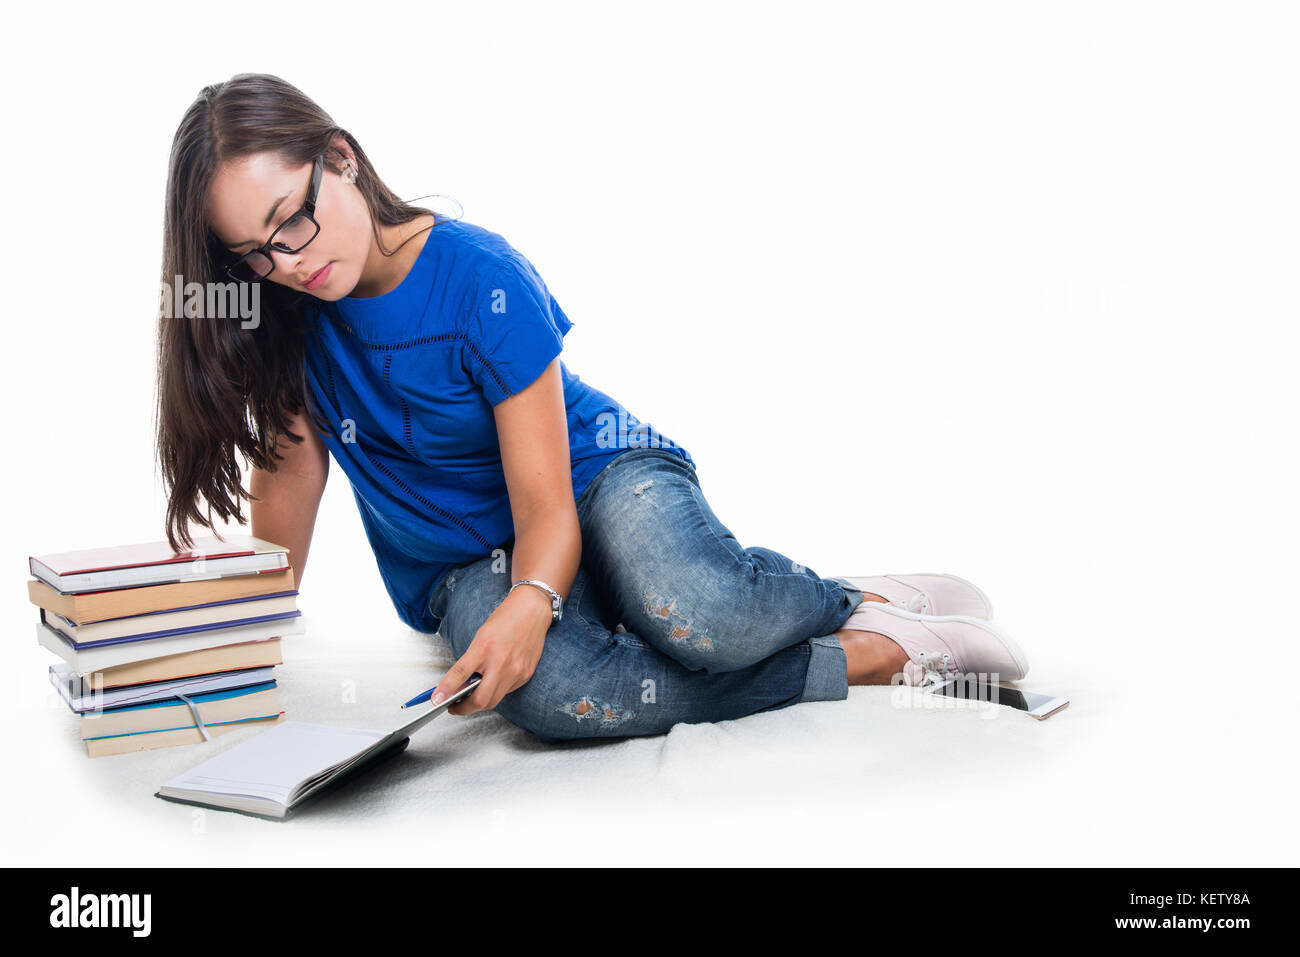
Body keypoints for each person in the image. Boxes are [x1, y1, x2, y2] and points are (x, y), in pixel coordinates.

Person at [156, 73, 1028, 744]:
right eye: (255, 253)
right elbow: (279, 542)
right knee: (553, 697)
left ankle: (850, 601)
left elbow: (546, 509)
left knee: (704, 609)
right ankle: (859, 661)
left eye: (292, 220)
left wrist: (534, 599)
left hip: (594, 480)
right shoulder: (287, 329)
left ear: (339, 158)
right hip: (468, 565)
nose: (287, 261)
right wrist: (214, 659)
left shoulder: (480, 279)